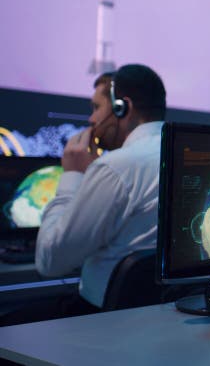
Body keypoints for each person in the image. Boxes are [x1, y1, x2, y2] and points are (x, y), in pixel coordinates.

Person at [35, 64, 167, 310]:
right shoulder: (180, 153)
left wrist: (73, 174)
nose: (92, 119)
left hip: (100, 319)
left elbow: (50, 261)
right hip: (163, 316)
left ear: (122, 107)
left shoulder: (116, 167)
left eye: (96, 108)